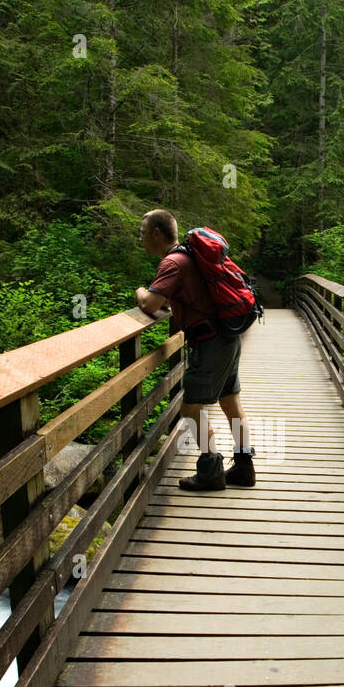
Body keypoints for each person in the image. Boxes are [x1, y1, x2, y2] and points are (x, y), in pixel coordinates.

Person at [134, 208, 256, 491]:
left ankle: (211, 470)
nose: (140, 240)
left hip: (209, 343)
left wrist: (140, 291)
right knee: (230, 403)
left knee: (190, 409)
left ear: (156, 233)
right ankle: (244, 467)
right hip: (226, 337)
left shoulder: (172, 263)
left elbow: (150, 304)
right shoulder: (188, 256)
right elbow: (181, 299)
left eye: (142, 234)